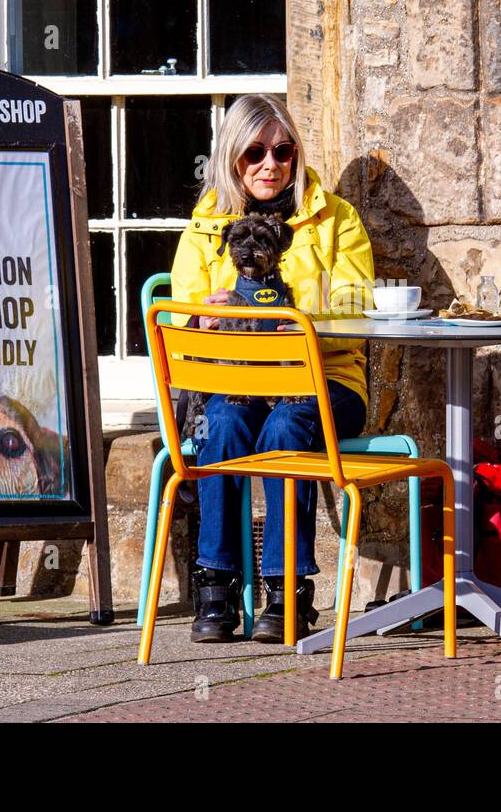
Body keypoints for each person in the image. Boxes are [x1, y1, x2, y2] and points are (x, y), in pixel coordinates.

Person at [169, 94, 374, 644]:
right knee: (226, 423)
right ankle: (214, 589)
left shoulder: (336, 218)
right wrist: (202, 317)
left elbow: (359, 305)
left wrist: (308, 321)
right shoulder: (208, 223)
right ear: (231, 158)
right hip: (235, 380)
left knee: (286, 426)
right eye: (254, 152)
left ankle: (286, 595)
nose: (270, 165)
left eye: (283, 152)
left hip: (324, 382)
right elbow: (179, 316)